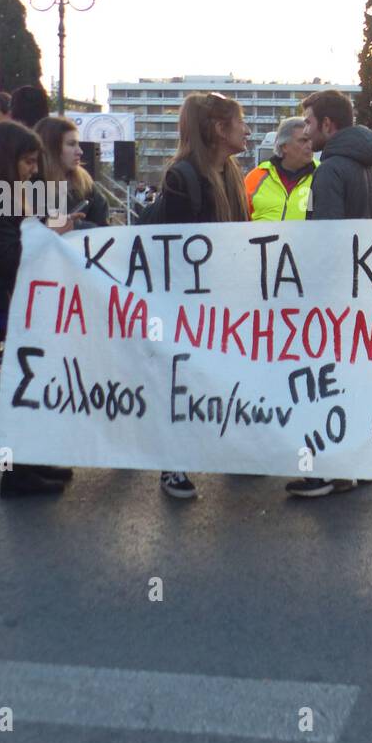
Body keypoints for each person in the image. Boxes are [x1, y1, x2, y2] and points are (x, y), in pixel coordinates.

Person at [0, 121, 75, 496]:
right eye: (27, 162)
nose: (34, 170)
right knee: (17, 393)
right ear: (6, 160)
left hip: (11, 302)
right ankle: (16, 473)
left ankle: (29, 465)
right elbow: (7, 255)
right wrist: (51, 236)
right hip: (7, 303)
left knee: (25, 388)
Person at [287, 89, 372, 498]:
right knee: (352, 380)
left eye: (309, 123)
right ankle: (357, 464)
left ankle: (325, 471)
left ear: (328, 125)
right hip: (361, 294)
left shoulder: (329, 171)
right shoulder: (369, 169)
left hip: (332, 298)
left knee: (324, 384)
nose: (305, 134)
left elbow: (326, 241)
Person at [156, 92, 250, 499]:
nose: (247, 129)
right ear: (218, 129)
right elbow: (174, 252)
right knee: (185, 382)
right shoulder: (183, 177)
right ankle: (171, 465)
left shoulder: (231, 173)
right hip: (189, 304)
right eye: (240, 121)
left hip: (223, 302)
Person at [35, 115, 112, 229]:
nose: (80, 151)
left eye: (78, 144)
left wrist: (78, 226)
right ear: (51, 148)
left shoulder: (85, 184)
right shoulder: (28, 186)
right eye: (71, 144)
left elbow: (104, 230)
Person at [244, 116, 315, 221]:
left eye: (311, 140)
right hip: (262, 237)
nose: (310, 145)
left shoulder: (320, 174)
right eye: (303, 140)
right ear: (284, 146)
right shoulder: (256, 177)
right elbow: (240, 219)